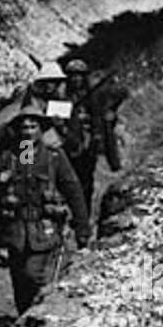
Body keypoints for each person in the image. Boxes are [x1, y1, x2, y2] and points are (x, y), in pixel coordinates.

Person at [0, 104, 91, 317]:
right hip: (16, 231)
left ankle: (36, 321)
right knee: (20, 282)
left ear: (41, 129)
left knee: (35, 276)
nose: (28, 131)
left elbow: (73, 190)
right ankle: (23, 325)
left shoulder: (54, 157)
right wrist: (1, 182)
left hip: (44, 229)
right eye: (24, 128)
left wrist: (82, 228)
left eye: (33, 127)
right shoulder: (14, 156)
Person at [62, 58, 128, 220]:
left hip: (89, 144)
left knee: (87, 181)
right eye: (72, 76)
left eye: (79, 75)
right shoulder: (63, 96)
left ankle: (85, 215)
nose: (76, 79)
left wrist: (109, 112)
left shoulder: (94, 94)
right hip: (70, 143)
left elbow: (121, 93)